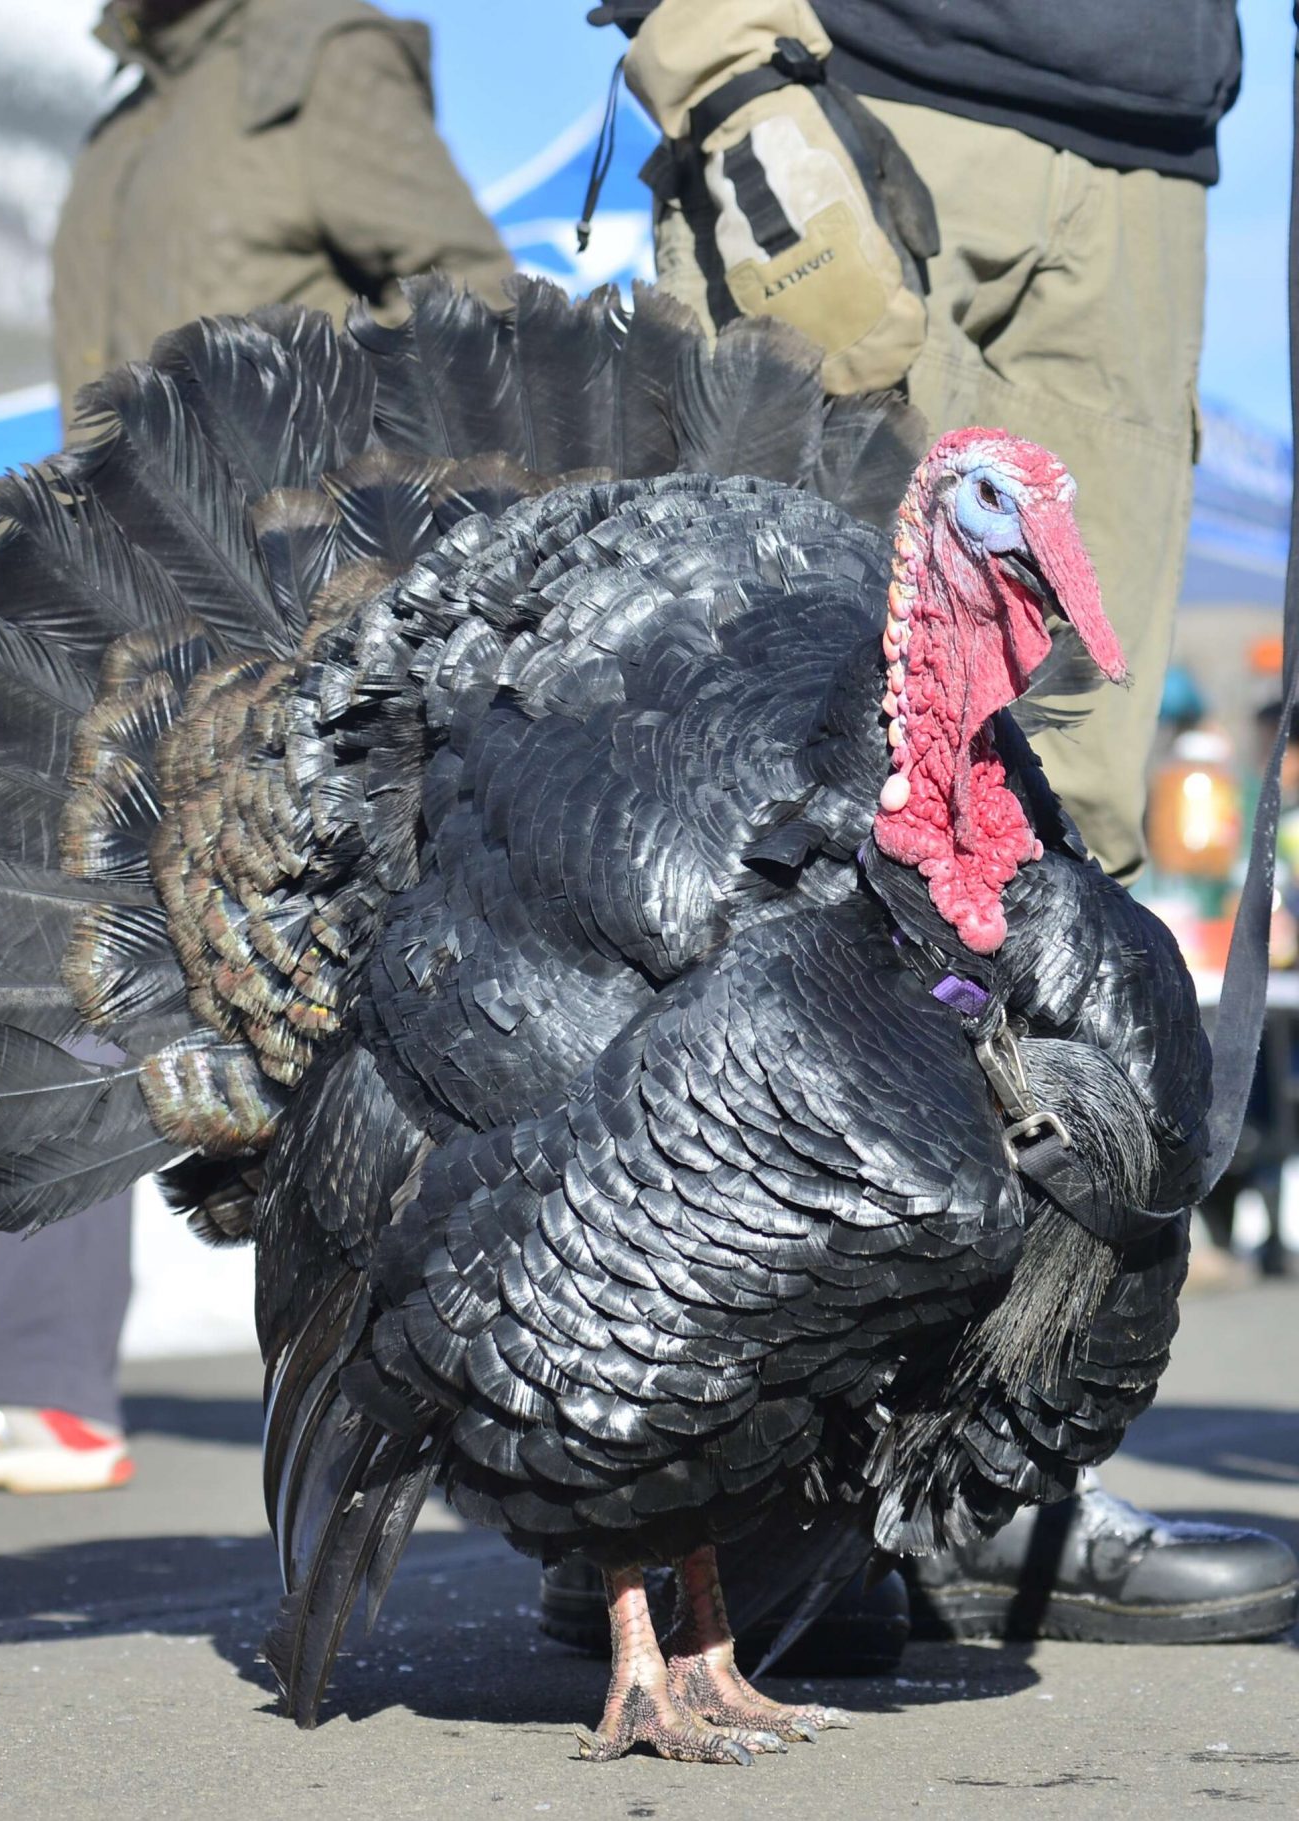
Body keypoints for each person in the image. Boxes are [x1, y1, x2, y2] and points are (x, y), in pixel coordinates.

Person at [546, 0, 1297, 1658]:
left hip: (1145, 157)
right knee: (774, 801)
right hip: (853, 90)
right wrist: (716, 60)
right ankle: (689, 1506)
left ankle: (983, 1485)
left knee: (1063, 849)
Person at [0, 0, 515, 1497]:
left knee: (364, 1015)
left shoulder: (312, 64)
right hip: (138, 624)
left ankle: (497, 1395)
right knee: (58, 946)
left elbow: (476, 315)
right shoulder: (131, 118)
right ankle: (42, 1380)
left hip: (297, 628)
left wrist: (339, 524)